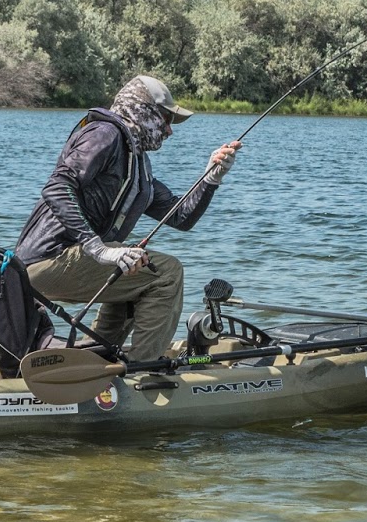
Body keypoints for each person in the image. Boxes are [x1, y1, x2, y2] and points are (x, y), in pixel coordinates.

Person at [14, 75, 240, 361]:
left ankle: (96, 358)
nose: (169, 131)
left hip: (67, 261)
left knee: (139, 263)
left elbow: (181, 217)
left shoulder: (137, 164)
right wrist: (99, 247)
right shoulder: (104, 134)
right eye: (165, 119)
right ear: (142, 111)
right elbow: (58, 187)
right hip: (44, 261)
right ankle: (143, 370)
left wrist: (211, 177)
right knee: (167, 274)